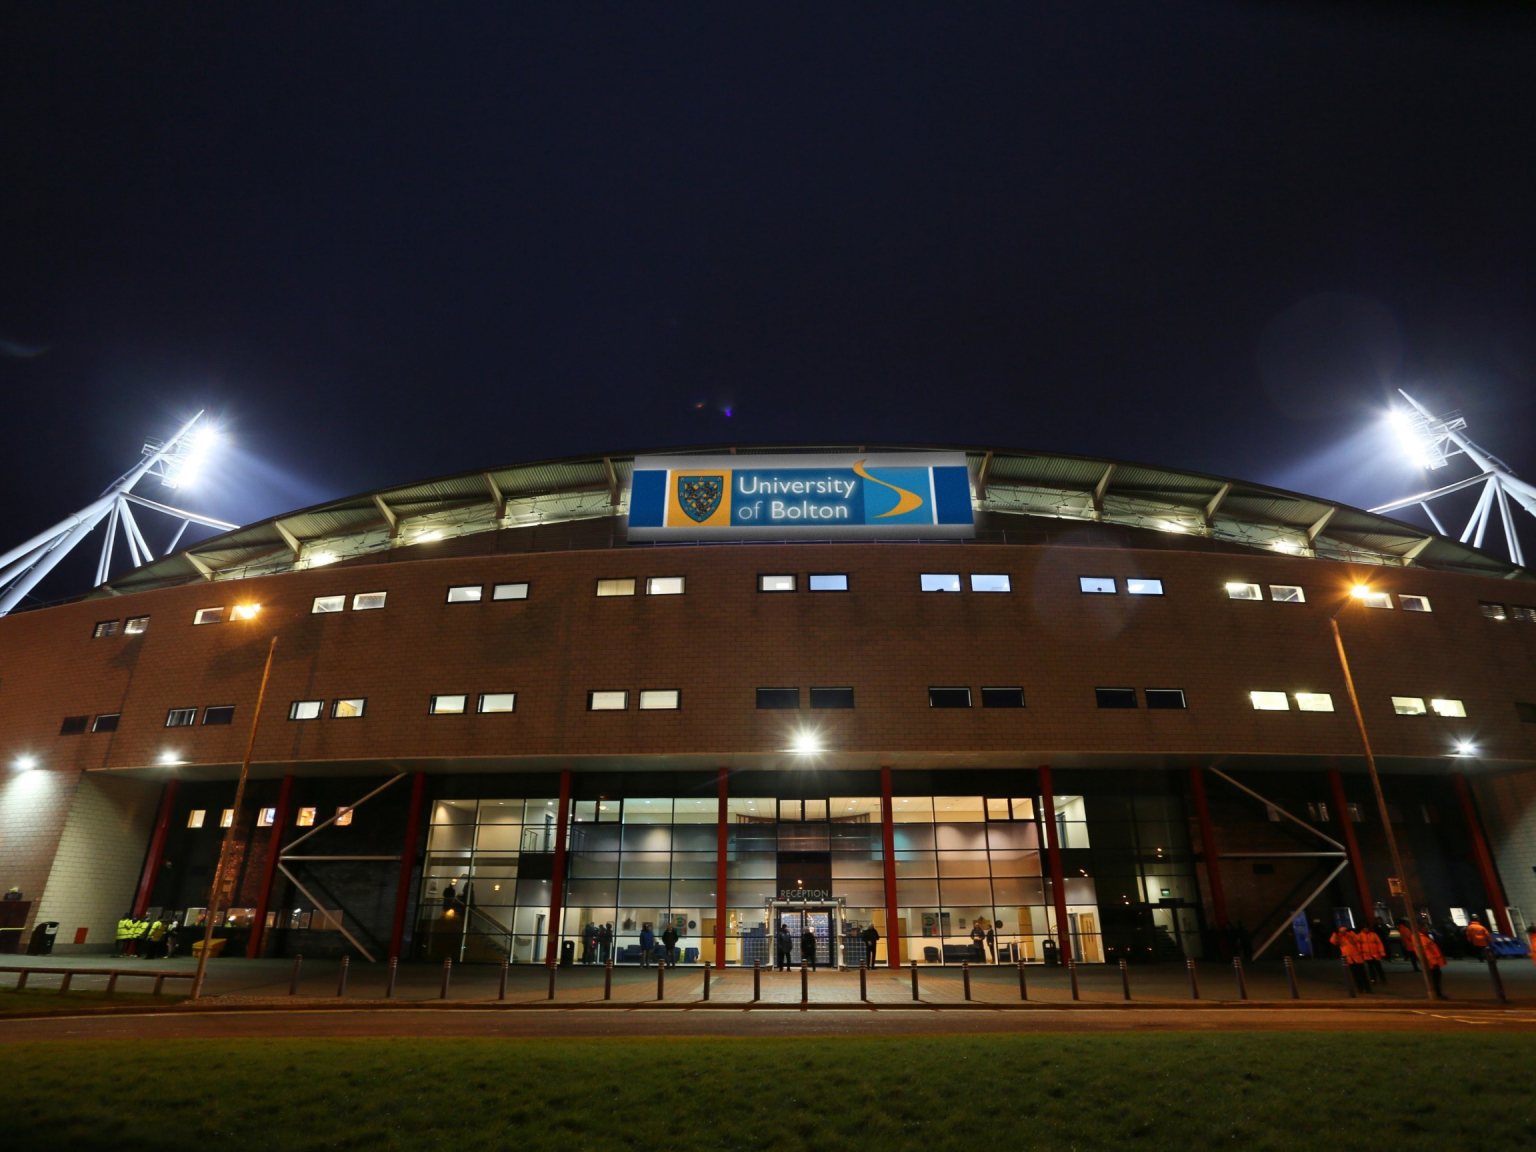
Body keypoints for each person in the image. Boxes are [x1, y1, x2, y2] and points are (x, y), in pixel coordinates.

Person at [1330, 924, 1368, 992]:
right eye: (1341, 932)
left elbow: (1358, 939)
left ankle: (1367, 988)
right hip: (1349, 959)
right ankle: (1360, 988)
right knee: (1355, 975)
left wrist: (1350, 934)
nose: (1343, 933)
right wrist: (1335, 934)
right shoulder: (1339, 937)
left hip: (1357, 958)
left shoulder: (1351, 935)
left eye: (1344, 931)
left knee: (1362, 974)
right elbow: (1333, 941)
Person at [1414, 927, 1447, 998]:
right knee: (1435, 978)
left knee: (1435, 978)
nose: (1426, 930)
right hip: (1431, 963)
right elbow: (1426, 951)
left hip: (1430, 962)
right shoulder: (1421, 938)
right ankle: (1437, 993)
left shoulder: (1421, 937)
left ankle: (1436, 993)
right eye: (1425, 929)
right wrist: (1434, 961)